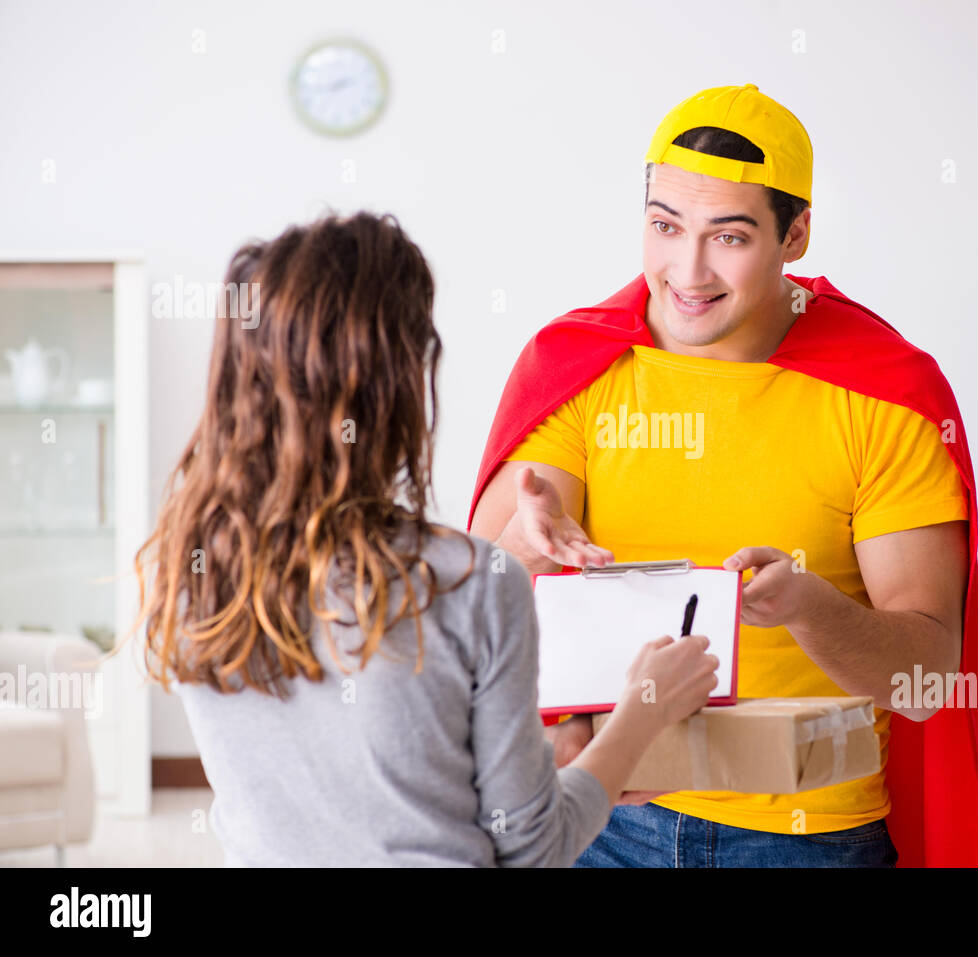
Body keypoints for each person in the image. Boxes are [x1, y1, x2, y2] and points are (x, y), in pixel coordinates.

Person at [469, 84, 978, 867]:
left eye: (729, 236)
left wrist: (809, 607)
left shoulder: (885, 395)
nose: (687, 271)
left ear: (796, 235)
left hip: (807, 836)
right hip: (596, 816)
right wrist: (526, 541)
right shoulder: (577, 368)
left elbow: (927, 680)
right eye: (665, 227)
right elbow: (471, 620)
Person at [125, 211, 719, 867]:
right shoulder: (478, 583)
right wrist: (642, 710)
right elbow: (536, 849)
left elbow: (370, 794)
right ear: (400, 382)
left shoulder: (190, 572)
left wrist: (563, 763)